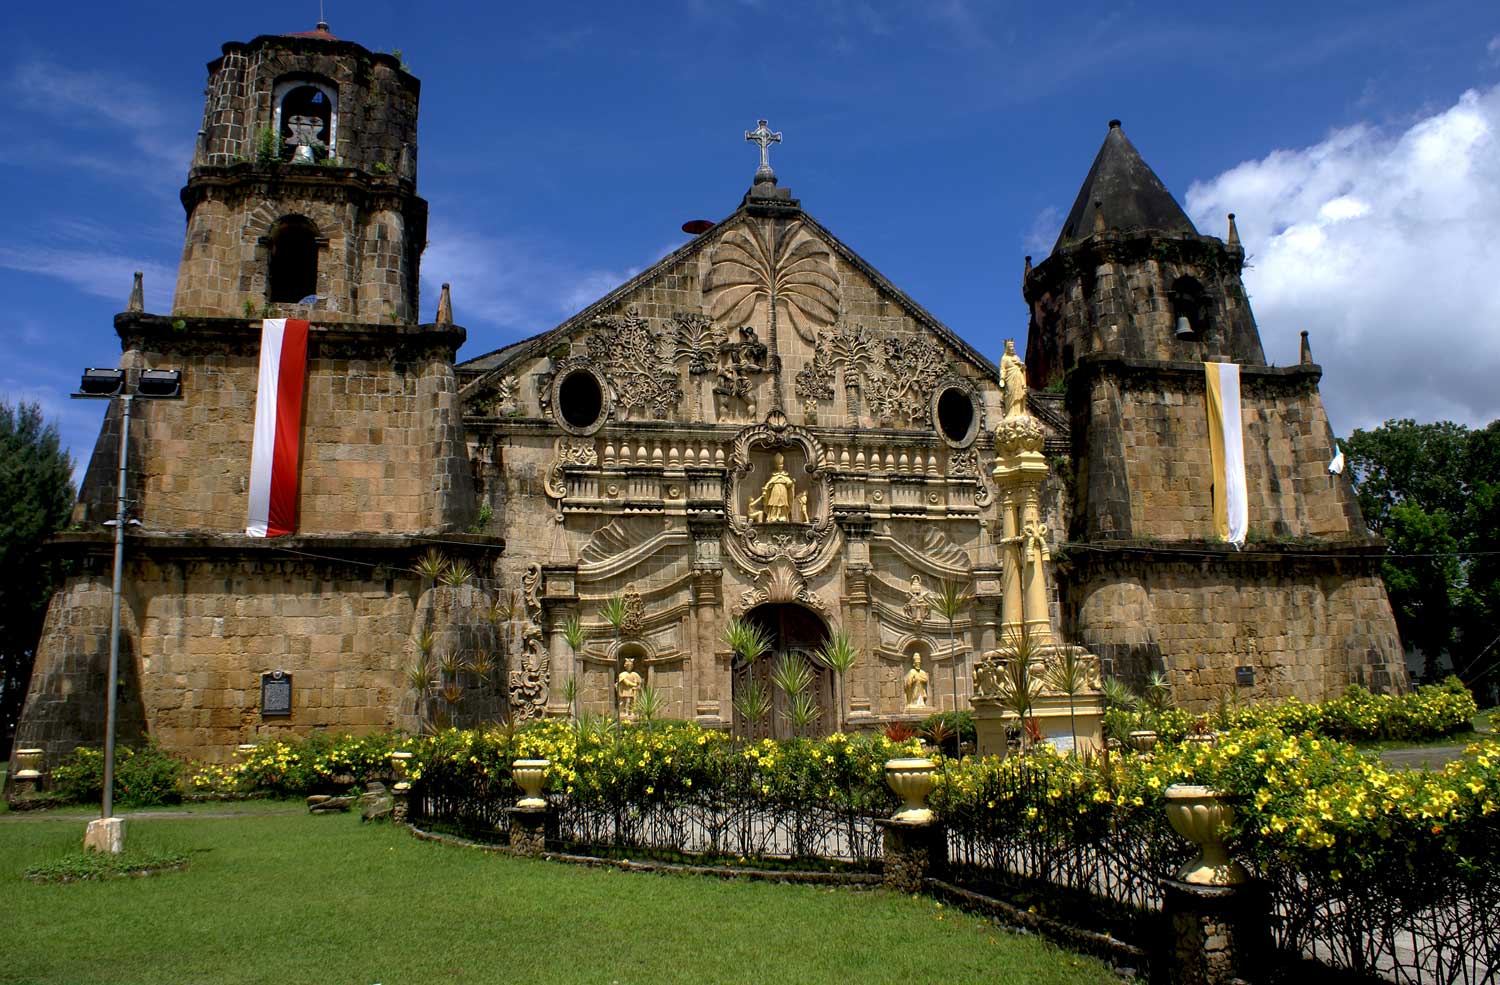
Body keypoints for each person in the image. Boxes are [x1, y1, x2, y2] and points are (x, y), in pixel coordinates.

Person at [759, 452, 797, 523]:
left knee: (783, 504)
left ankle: (782, 516)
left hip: (783, 490)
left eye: (781, 465)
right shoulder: (774, 475)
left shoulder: (785, 475)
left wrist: (792, 482)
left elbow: (789, 484)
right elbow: (769, 483)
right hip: (775, 490)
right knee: (774, 503)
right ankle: (773, 517)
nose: (781, 466)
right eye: (779, 465)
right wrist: (765, 489)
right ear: (776, 465)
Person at [1000, 338, 1027, 419]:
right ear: (1007, 348)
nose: (1012, 348)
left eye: (1012, 346)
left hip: (1018, 376)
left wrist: (1022, 365)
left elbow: (1023, 368)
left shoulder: (1017, 357)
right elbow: (1002, 369)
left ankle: (1019, 412)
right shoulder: (1004, 358)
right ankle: (1011, 413)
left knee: (1019, 394)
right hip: (1010, 378)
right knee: (1010, 394)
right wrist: (1002, 379)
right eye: (1010, 347)